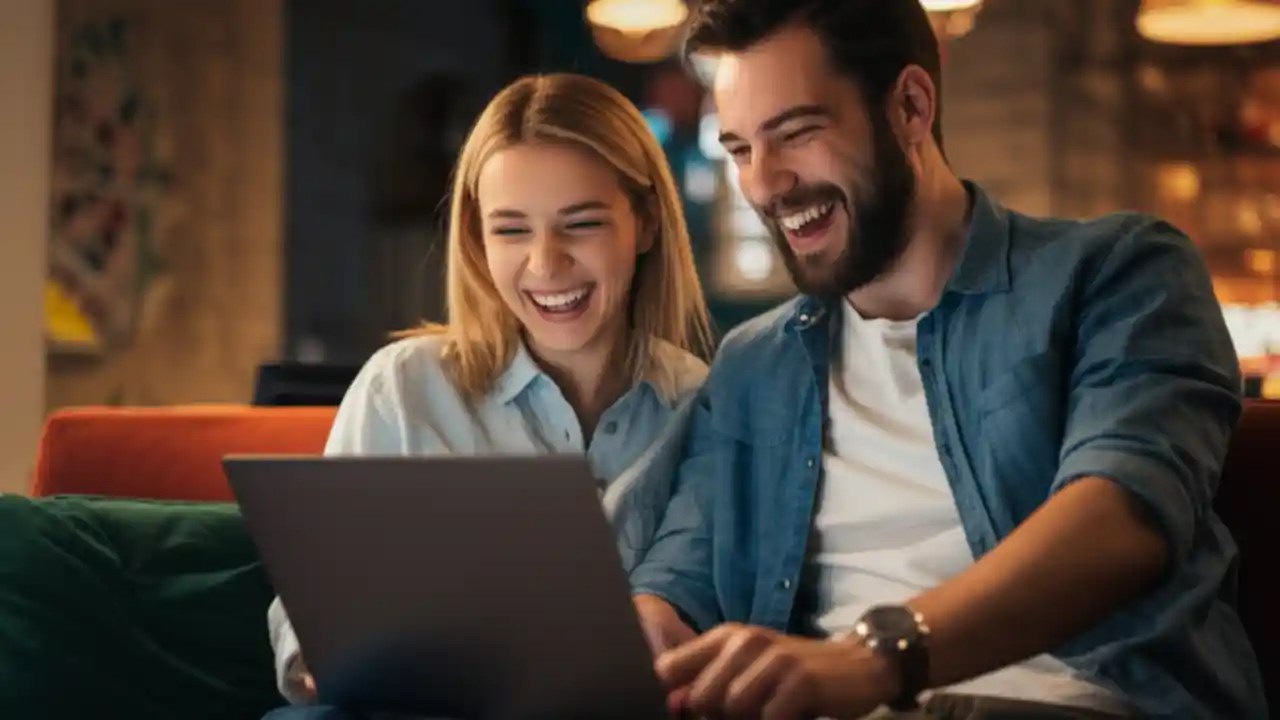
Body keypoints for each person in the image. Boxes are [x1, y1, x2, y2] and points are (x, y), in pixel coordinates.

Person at [608, 1, 1269, 718]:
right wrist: (653, 621)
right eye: (738, 149)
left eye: (795, 133)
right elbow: (684, 566)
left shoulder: (1119, 273)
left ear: (912, 108)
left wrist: (873, 659)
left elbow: (1123, 516)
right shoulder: (750, 367)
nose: (765, 184)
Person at [264, 72, 714, 718]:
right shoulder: (404, 387)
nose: (545, 263)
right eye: (511, 230)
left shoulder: (704, 406)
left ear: (645, 223)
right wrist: (321, 649)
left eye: (580, 223)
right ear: (476, 238)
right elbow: (311, 603)